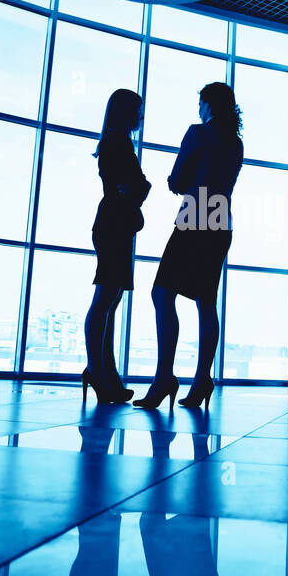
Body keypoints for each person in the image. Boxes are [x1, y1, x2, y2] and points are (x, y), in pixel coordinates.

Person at [134, 82, 243, 410]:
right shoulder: (236, 142)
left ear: (209, 105)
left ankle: (164, 377)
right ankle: (202, 379)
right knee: (206, 302)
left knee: (162, 293)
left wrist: (176, 183)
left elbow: (177, 180)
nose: (198, 110)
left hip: (196, 214)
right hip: (221, 218)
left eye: (200, 104)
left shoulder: (198, 132)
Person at [83, 89, 150, 404]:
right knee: (106, 299)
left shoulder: (116, 141)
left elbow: (136, 185)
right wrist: (138, 187)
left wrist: (137, 186)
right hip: (114, 225)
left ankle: (103, 373)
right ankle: (98, 372)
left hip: (114, 224)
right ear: (125, 112)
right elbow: (136, 185)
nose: (141, 116)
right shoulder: (118, 142)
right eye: (137, 110)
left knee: (109, 300)